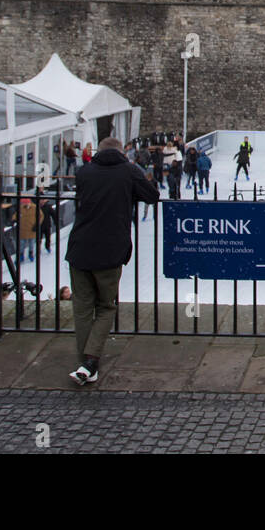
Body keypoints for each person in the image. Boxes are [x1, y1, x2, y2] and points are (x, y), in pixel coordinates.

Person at [65, 137, 159, 385]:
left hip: (79, 247)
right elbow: (152, 195)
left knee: (82, 308)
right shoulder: (128, 171)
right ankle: (90, 361)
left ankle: (85, 362)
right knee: (106, 306)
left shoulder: (85, 172)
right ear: (123, 152)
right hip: (109, 250)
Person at [16, 196, 38, 263]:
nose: (23, 204)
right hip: (23, 229)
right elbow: (16, 215)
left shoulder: (34, 208)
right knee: (22, 243)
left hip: (32, 229)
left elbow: (41, 216)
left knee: (31, 243)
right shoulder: (20, 208)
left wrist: (36, 225)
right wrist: (14, 220)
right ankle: (21, 255)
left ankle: (30, 254)